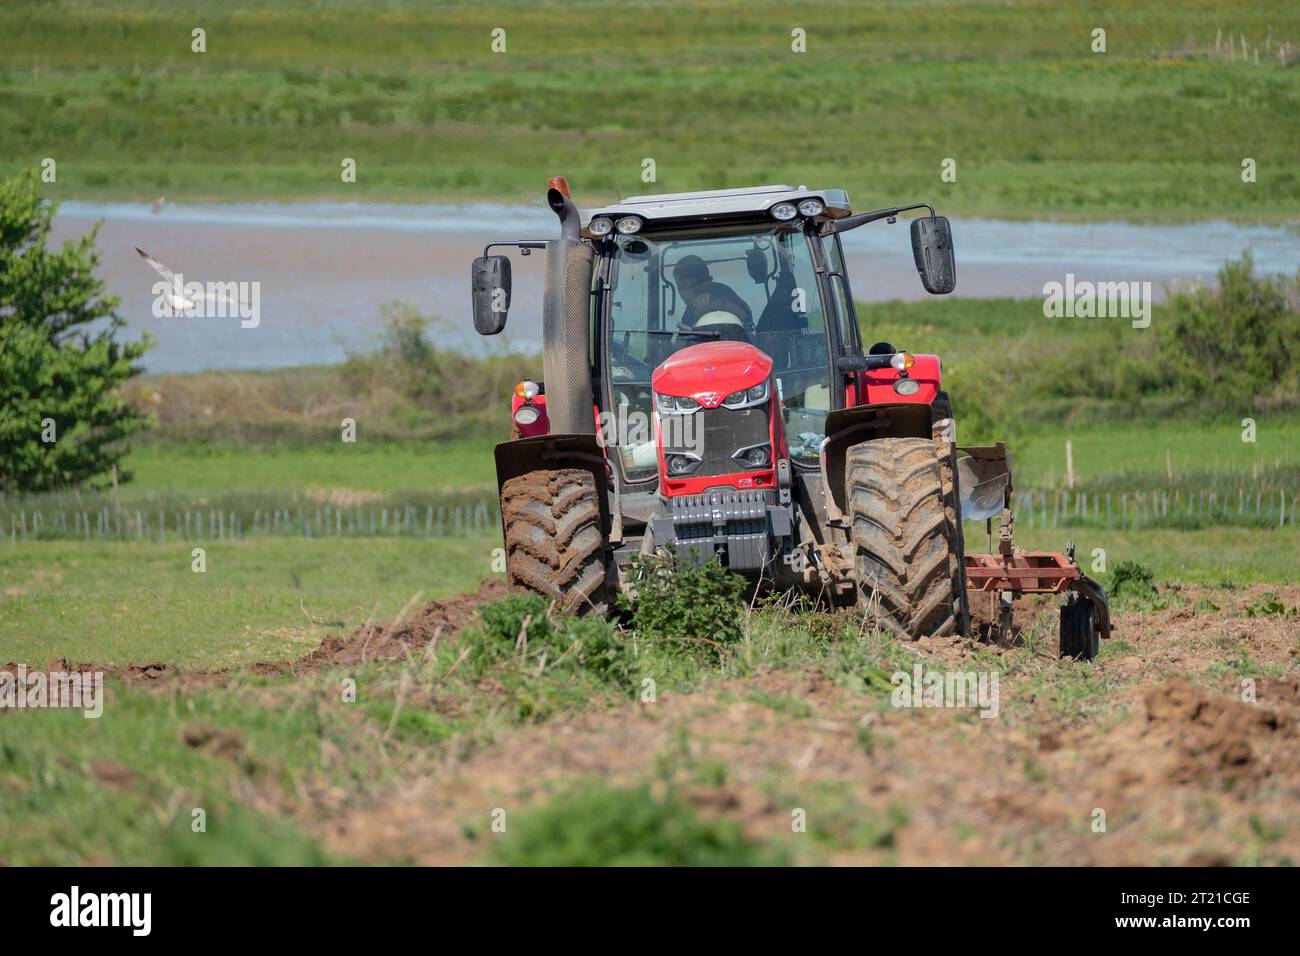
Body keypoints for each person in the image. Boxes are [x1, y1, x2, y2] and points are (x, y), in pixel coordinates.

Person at [673, 255, 753, 330]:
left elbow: (744, 316)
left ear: (682, 283)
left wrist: (716, 305)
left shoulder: (701, 303)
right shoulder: (725, 291)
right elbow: (747, 318)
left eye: (677, 283)